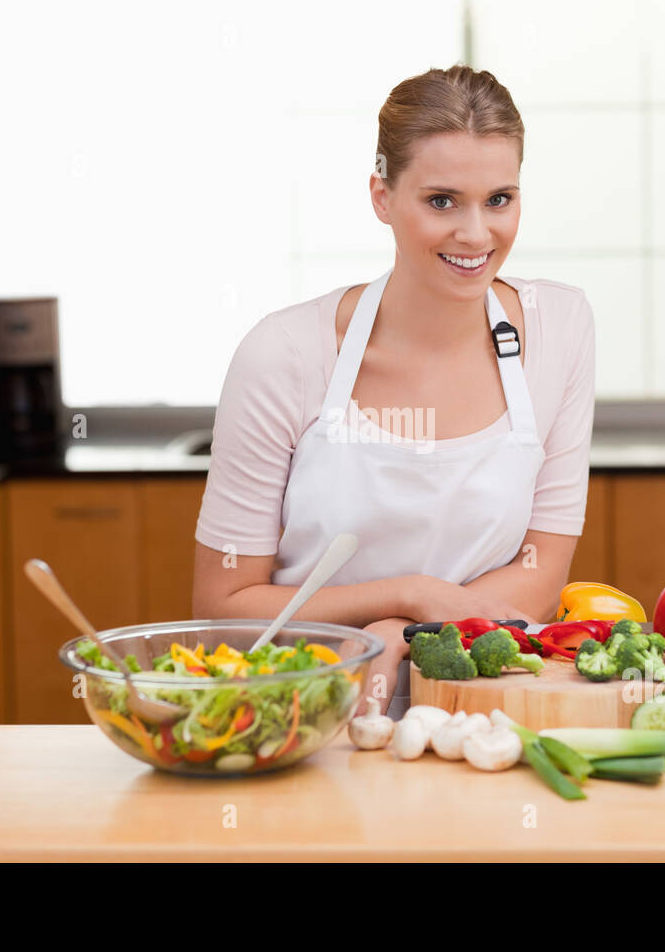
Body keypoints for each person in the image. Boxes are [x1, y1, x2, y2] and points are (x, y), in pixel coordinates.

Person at [192, 64, 596, 714]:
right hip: (307, 716)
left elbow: (542, 574)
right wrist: (404, 598)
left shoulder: (559, 332)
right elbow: (226, 610)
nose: (475, 234)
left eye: (499, 199)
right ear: (381, 196)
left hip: (486, 716)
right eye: (442, 200)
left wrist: (407, 637)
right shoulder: (285, 356)